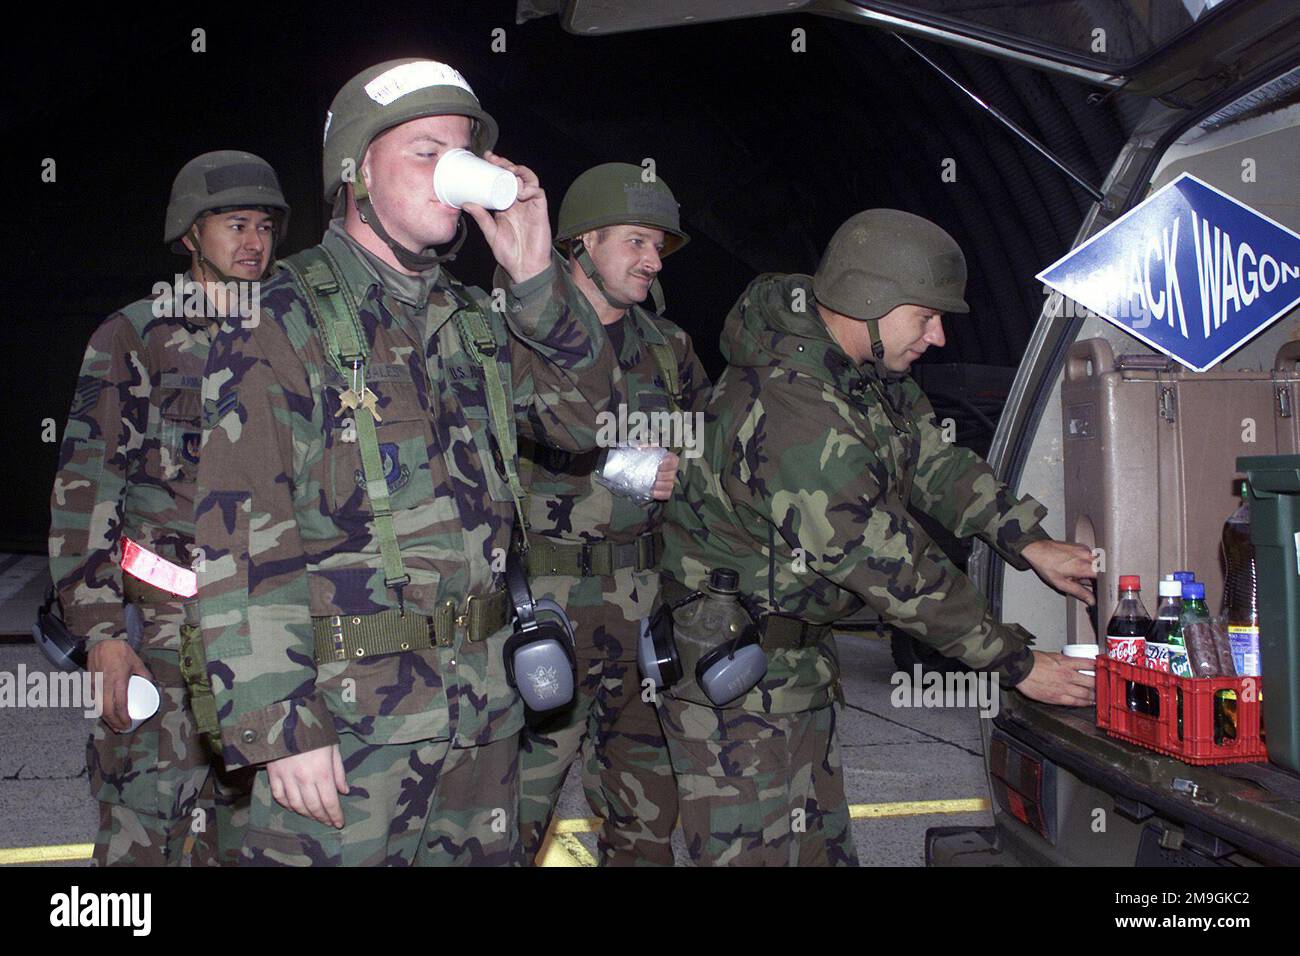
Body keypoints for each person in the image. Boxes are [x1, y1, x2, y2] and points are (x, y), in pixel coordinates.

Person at [195, 59, 669, 866]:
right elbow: (240, 536)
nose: (455, 170)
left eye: (463, 150)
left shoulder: (474, 321)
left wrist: (533, 278)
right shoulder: (281, 318)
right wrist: (281, 727)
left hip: (482, 716)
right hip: (347, 730)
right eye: (426, 150)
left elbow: (584, 420)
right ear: (355, 171)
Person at [656, 208, 1097, 866]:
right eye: (926, 315)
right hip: (734, 695)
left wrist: (1028, 540)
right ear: (869, 300)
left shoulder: (864, 378)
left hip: (793, 676)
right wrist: (1018, 662)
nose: (939, 336)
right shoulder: (794, 408)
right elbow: (890, 563)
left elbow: (933, 459)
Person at [49, 150, 289, 865]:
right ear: (190, 234)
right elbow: (86, 489)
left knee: (258, 827)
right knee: (144, 829)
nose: (254, 242)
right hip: (160, 628)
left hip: (269, 629)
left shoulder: (290, 335)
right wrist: (100, 635)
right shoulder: (136, 336)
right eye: (234, 225)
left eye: (266, 227)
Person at [518, 163, 709, 865]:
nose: (652, 259)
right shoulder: (517, 336)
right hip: (547, 611)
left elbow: (704, 448)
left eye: (657, 245)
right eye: (635, 241)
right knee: (512, 814)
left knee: (647, 817)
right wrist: (623, 464)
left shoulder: (669, 348)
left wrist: (690, 470)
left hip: (644, 616)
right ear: (583, 243)